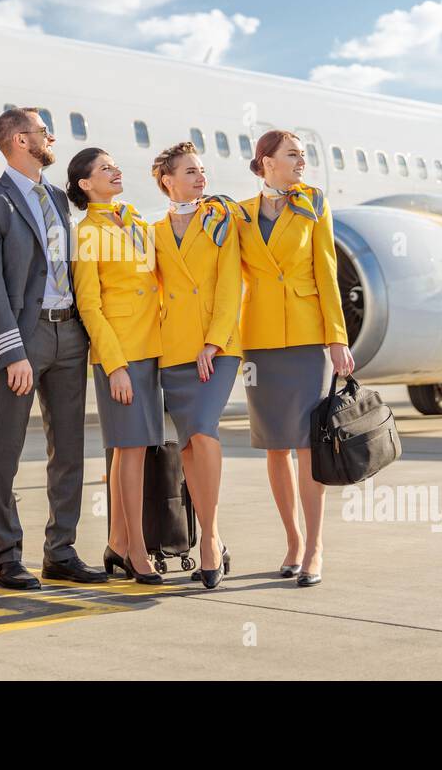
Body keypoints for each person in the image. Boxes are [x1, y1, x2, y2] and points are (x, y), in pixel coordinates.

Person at [0, 107, 107, 590]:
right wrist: (11, 350)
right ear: (21, 140)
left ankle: (60, 551)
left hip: (70, 334)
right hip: (23, 338)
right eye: (44, 132)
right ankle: (6, 556)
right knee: (5, 445)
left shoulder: (56, 198)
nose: (51, 138)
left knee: (68, 447)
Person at [239, 130, 355, 588]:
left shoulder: (313, 204)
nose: (301, 162)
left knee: (309, 444)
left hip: (308, 339)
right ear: (267, 161)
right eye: (292, 155)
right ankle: (290, 540)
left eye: (303, 155)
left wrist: (337, 338)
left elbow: (327, 271)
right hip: (260, 338)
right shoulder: (240, 214)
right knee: (275, 445)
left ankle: (314, 546)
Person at [150, 142, 244, 588]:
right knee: (187, 445)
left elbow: (230, 288)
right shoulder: (154, 231)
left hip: (217, 349)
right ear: (168, 179)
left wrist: (213, 342)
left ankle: (209, 537)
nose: (200, 177)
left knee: (204, 432)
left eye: (202, 170)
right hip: (173, 350)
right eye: (190, 171)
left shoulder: (220, 222)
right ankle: (212, 535)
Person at [69, 148, 164, 585]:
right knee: (128, 448)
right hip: (122, 354)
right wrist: (115, 365)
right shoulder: (86, 233)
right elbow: (90, 306)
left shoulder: (137, 221)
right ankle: (137, 552)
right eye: (105, 168)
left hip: (155, 347)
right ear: (86, 185)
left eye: (114, 165)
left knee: (139, 449)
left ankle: (119, 543)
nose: (115, 171)